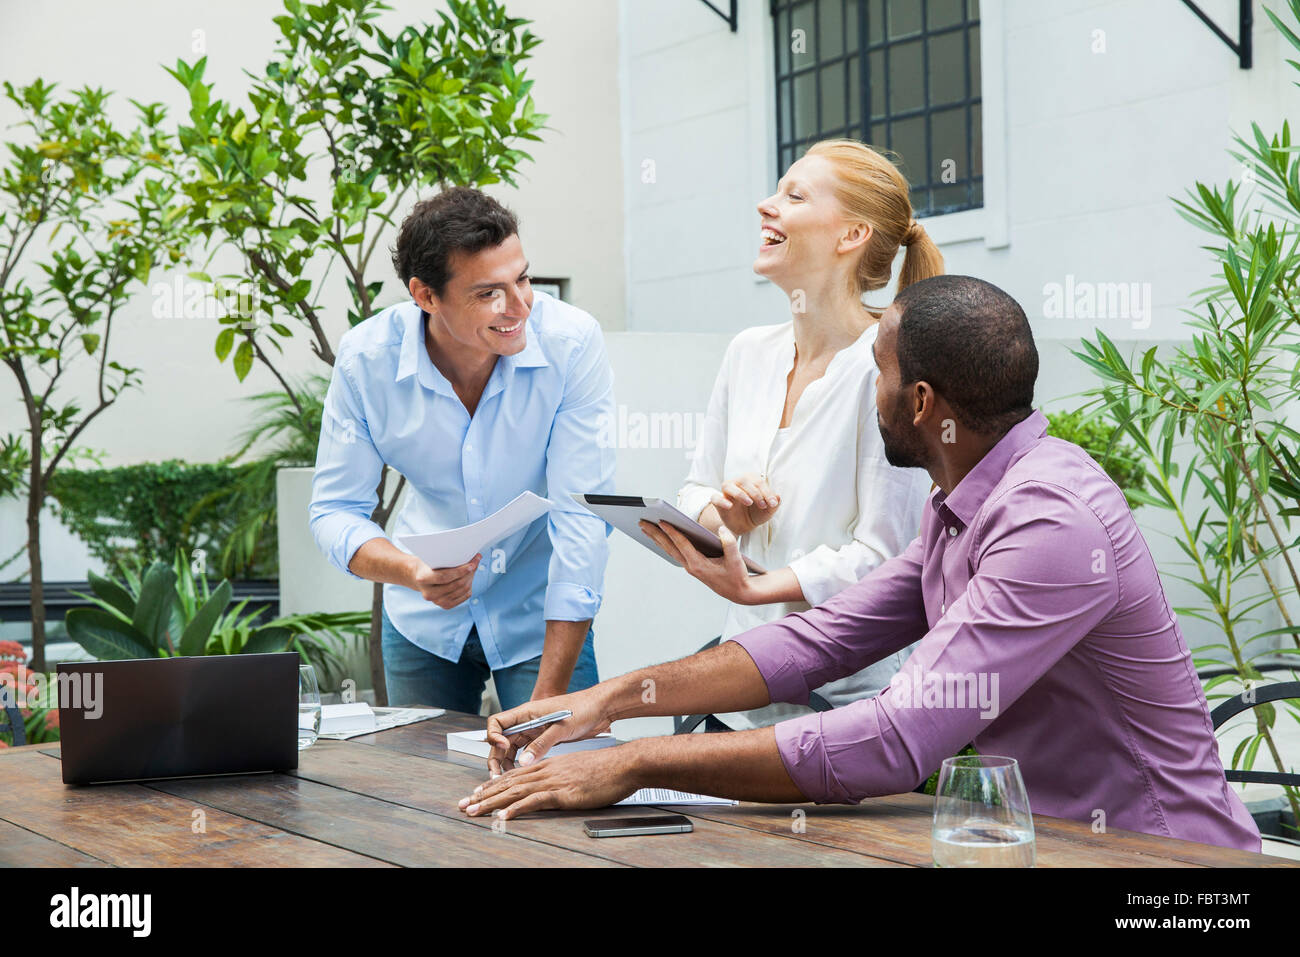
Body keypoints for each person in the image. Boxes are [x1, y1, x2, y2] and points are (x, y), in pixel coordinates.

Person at [457, 275, 1262, 853]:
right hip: (1050, 842)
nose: (863, 388)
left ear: (920, 404)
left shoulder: (1050, 521)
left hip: (1169, 868)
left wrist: (632, 765)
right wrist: (610, 700)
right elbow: (820, 641)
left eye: (875, 369)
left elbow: (896, 736)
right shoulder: (966, 502)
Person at [655, 139, 941, 730]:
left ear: (850, 235)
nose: (766, 205)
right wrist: (724, 516)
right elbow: (694, 490)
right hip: (737, 695)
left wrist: (756, 587)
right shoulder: (747, 353)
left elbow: (887, 559)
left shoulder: (886, 371)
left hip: (844, 711)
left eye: (794, 195)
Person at [309, 187, 616, 713]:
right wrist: (411, 572)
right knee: (420, 790)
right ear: (425, 296)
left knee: (563, 777)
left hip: (540, 615)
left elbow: (581, 517)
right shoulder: (366, 362)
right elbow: (335, 511)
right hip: (422, 621)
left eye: (523, 278)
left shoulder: (572, 343)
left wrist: (548, 703)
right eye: (488, 293)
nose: (519, 306)